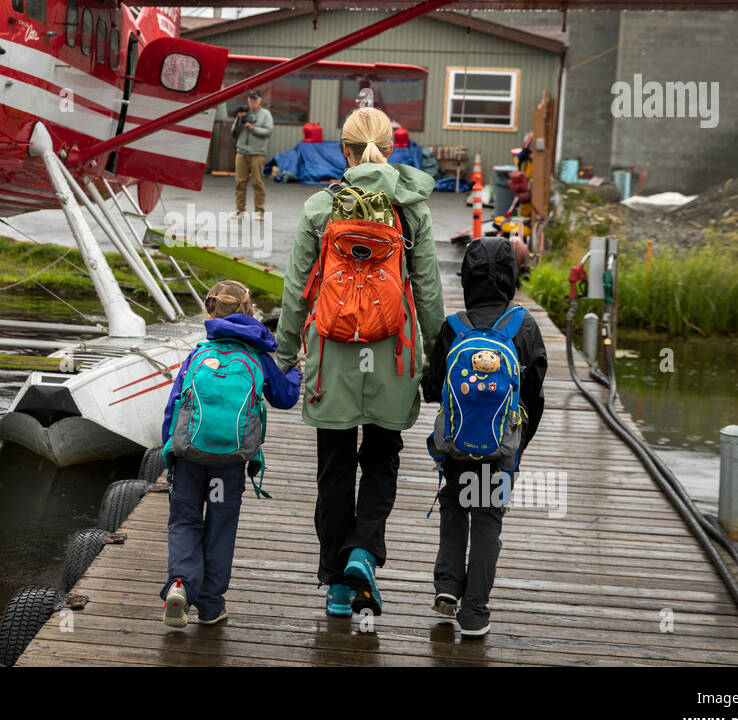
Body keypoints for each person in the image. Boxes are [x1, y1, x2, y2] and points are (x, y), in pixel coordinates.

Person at [275, 107, 444, 617]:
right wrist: (435, 358)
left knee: (333, 467)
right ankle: (364, 552)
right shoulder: (411, 209)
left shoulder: (318, 209)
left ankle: (336, 584)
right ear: (391, 149)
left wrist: (284, 355)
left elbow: (295, 291)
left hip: (333, 357)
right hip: (392, 355)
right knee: (381, 459)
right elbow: (430, 290)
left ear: (342, 149)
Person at [421, 236, 547, 638]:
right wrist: (519, 443)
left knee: (455, 507)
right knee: (488, 518)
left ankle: (447, 587)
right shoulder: (523, 325)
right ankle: (474, 613)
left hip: (458, 443)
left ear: (466, 278)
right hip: (502, 446)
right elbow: (535, 393)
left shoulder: (454, 326)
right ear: (511, 276)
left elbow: (431, 388)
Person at [160, 280, 302, 627]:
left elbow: (174, 407)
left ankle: (180, 584)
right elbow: (284, 398)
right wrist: (296, 371)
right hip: (230, 461)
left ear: (210, 313)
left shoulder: (198, 354)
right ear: (249, 313)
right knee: (221, 528)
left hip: (190, 454)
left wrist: (169, 452)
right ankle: (210, 606)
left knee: (184, 521)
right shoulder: (257, 357)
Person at [233, 90, 274, 220]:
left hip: (257, 153)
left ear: (260, 100)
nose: (252, 102)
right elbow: (233, 132)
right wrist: (240, 120)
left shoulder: (265, 114)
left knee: (257, 182)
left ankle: (259, 210)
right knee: (240, 182)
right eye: (250, 99)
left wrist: (252, 128)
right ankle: (240, 210)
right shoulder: (243, 113)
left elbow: (268, 131)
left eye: (255, 99)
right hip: (242, 152)